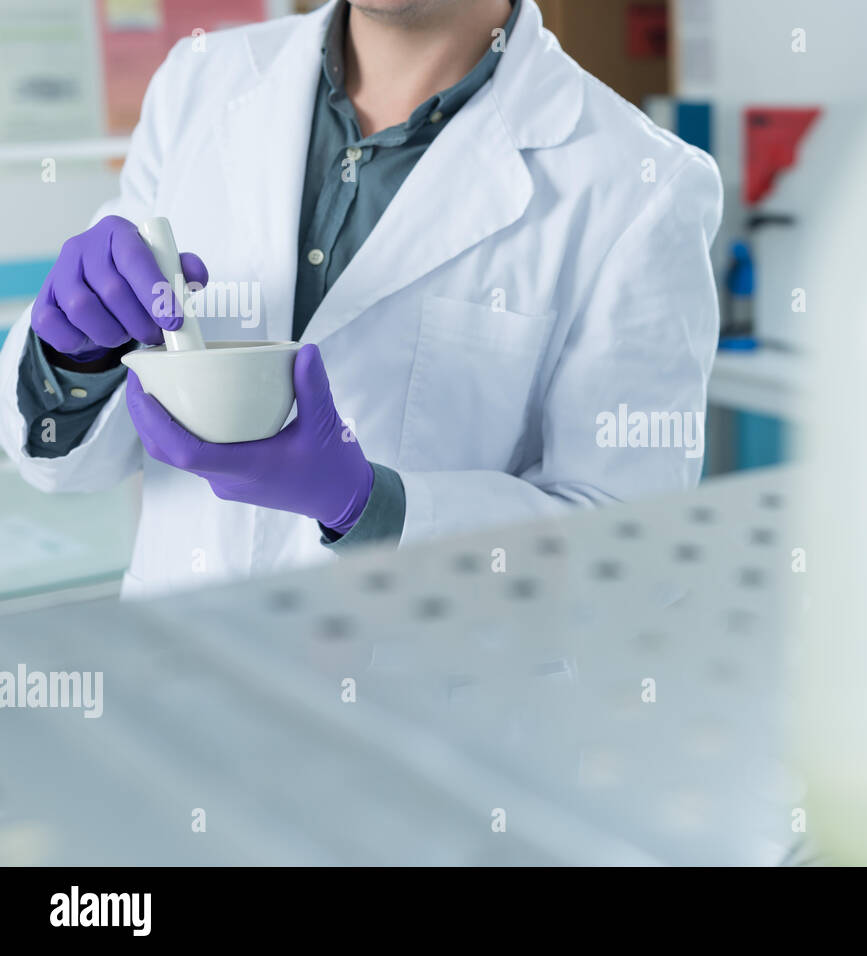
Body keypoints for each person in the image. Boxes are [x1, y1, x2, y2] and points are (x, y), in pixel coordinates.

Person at [0, 0, 723, 600]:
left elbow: (629, 563)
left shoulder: (642, 187)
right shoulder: (201, 79)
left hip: (417, 728)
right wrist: (71, 358)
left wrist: (372, 508)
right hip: (178, 689)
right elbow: (72, 466)